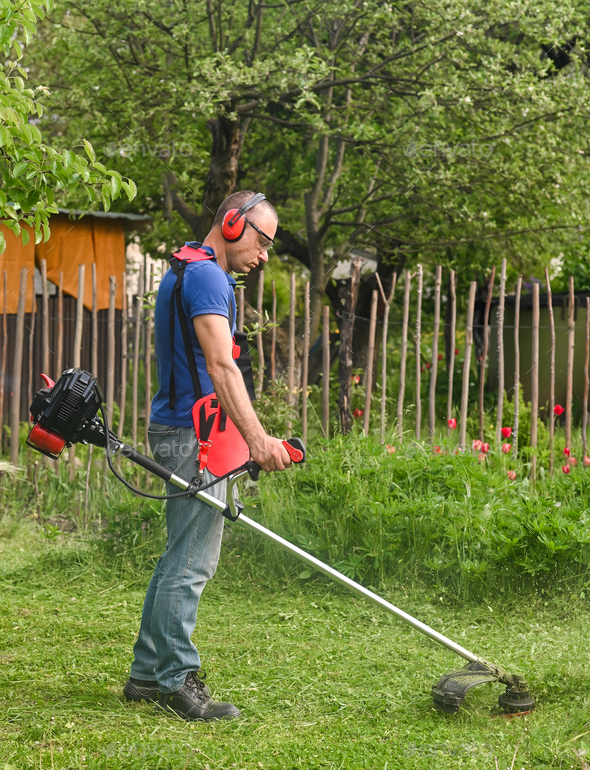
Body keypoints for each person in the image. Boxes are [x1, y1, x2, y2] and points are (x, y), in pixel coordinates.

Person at [123, 191, 291, 721]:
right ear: (233, 225)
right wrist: (260, 442)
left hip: (183, 429)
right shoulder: (207, 278)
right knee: (193, 561)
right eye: (261, 240)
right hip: (192, 437)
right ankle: (175, 679)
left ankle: (148, 675)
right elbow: (222, 366)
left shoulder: (189, 268)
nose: (265, 254)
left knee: (179, 555)